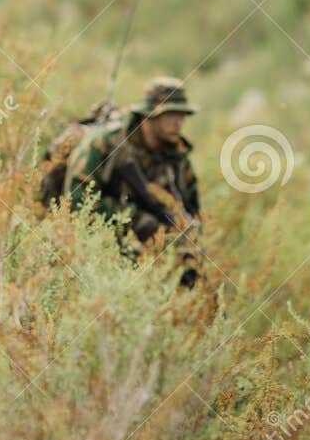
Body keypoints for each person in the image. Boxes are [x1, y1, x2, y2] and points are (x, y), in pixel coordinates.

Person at [61, 76, 205, 287]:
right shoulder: (104, 143)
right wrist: (135, 219)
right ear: (149, 115)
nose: (178, 122)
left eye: (182, 115)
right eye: (171, 114)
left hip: (143, 245)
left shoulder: (176, 156)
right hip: (89, 238)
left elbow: (192, 208)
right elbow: (75, 201)